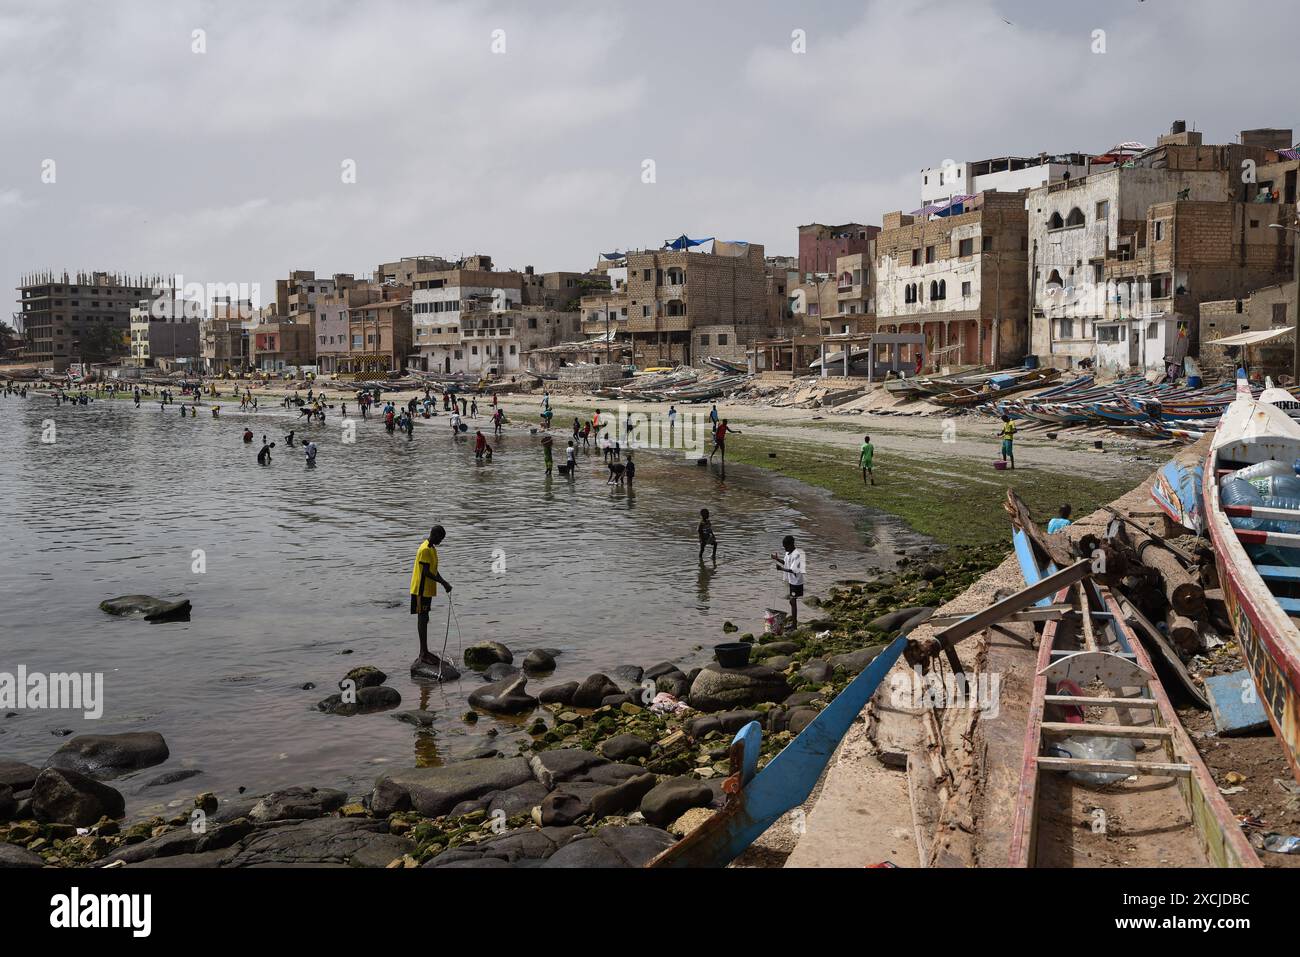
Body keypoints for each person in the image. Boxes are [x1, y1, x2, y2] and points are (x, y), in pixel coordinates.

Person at [410, 525, 453, 666]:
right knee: (422, 618)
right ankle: (423, 653)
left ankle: (425, 651)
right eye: (440, 538)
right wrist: (443, 583)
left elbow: (433, 570)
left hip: (427, 590)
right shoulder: (425, 549)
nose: (441, 541)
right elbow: (426, 572)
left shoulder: (432, 549)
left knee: (425, 617)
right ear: (434, 535)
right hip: (420, 590)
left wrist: (444, 581)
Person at [772, 535, 805, 629]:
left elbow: (793, 570)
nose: (785, 549)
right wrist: (777, 559)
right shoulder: (788, 553)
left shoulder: (797, 555)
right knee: (792, 602)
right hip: (791, 581)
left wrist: (781, 569)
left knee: (792, 601)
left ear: (791, 545)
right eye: (784, 547)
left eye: (786, 547)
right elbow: (787, 563)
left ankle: (794, 625)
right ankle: (794, 623)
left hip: (797, 582)